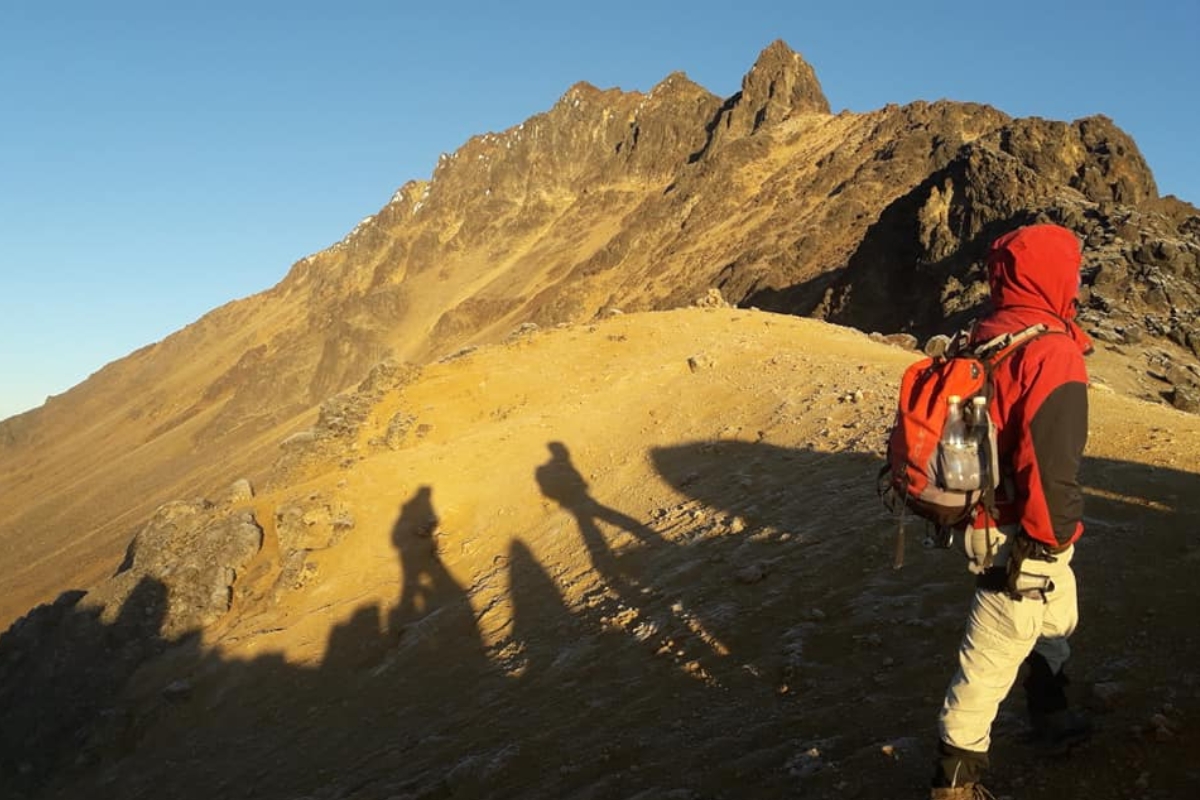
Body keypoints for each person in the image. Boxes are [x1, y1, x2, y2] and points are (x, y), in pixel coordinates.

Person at [931, 223, 1094, 799]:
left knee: (1055, 617)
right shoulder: (1050, 351)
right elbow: (1048, 466)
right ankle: (954, 782)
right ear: (1055, 274)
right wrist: (1048, 542)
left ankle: (1051, 710)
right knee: (991, 655)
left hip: (980, 516)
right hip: (1020, 532)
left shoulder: (988, 335)